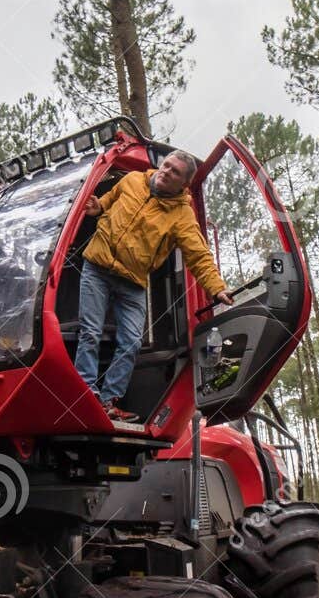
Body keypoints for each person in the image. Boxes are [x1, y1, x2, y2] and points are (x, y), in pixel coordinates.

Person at [75, 150, 231, 421]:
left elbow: (198, 255)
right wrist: (98, 207)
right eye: (166, 165)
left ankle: (108, 401)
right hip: (97, 268)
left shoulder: (182, 215)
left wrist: (216, 287)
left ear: (183, 184)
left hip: (133, 282)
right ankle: (85, 395)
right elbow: (108, 201)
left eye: (175, 172)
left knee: (132, 342)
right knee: (90, 332)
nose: (166, 172)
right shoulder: (132, 180)